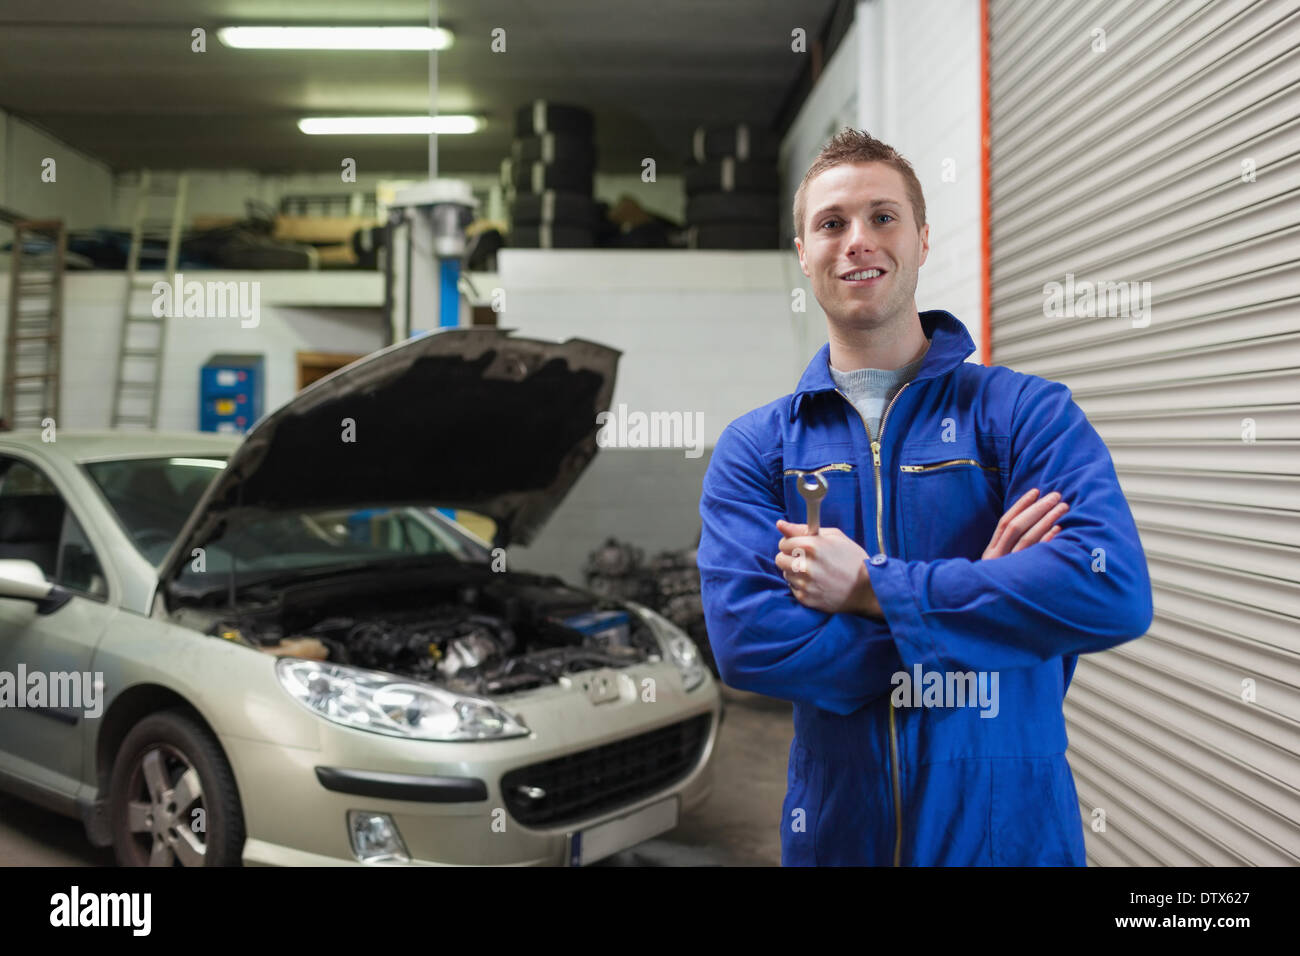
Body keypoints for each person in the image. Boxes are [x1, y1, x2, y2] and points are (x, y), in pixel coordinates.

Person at [697, 128, 1153, 866]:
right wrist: (992, 606)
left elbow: (1113, 592)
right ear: (804, 252)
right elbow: (750, 644)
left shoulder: (1022, 414)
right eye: (832, 223)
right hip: (841, 839)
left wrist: (872, 588)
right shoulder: (760, 448)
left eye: (883, 217)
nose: (858, 241)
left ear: (922, 239)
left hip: (1011, 838)